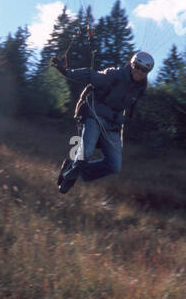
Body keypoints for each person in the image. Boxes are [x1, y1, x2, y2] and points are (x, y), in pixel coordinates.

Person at [53, 50, 154, 194]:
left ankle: (77, 168)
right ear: (131, 64)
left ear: (148, 71)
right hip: (95, 115)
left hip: (112, 125)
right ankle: (70, 175)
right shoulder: (114, 75)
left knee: (114, 166)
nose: (138, 71)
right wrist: (66, 71)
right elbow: (90, 75)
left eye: (143, 70)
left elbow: (130, 110)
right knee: (86, 152)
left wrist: (124, 124)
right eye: (136, 66)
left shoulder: (140, 89)